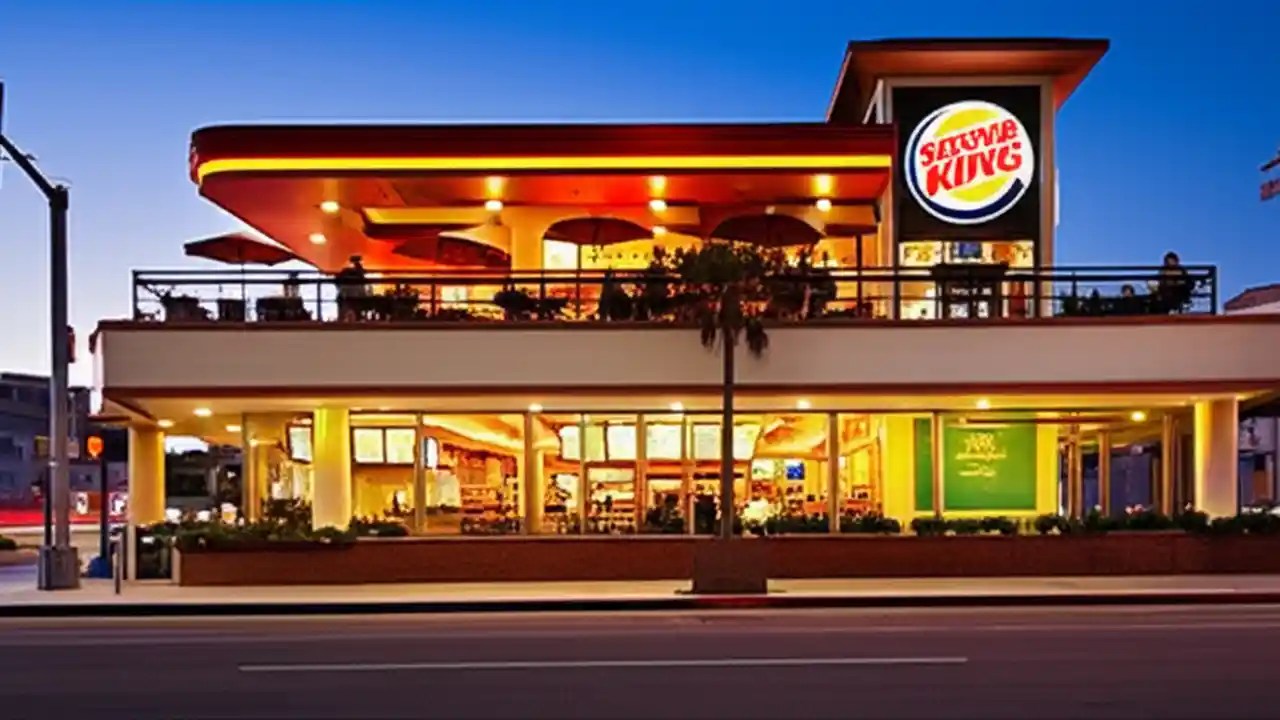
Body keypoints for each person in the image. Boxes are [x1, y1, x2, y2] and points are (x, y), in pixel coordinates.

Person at [335, 255, 368, 321]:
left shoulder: (345, 273)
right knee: (355, 314)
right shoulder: (358, 276)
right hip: (354, 299)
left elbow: (337, 283)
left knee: (345, 314)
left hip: (347, 298)